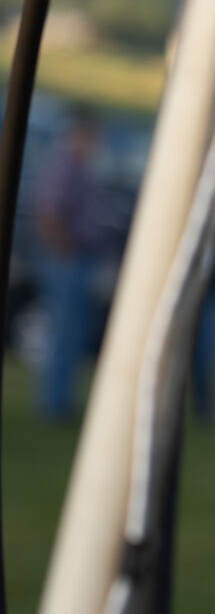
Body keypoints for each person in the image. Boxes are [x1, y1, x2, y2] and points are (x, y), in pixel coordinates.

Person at [32, 108, 104, 420]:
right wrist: (65, 251)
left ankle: (60, 401)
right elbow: (49, 214)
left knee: (72, 333)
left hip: (76, 257)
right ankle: (54, 403)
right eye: (91, 136)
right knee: (64, 331)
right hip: (67, 260)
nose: (96, 143)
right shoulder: (65, 167)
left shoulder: (79, 168)